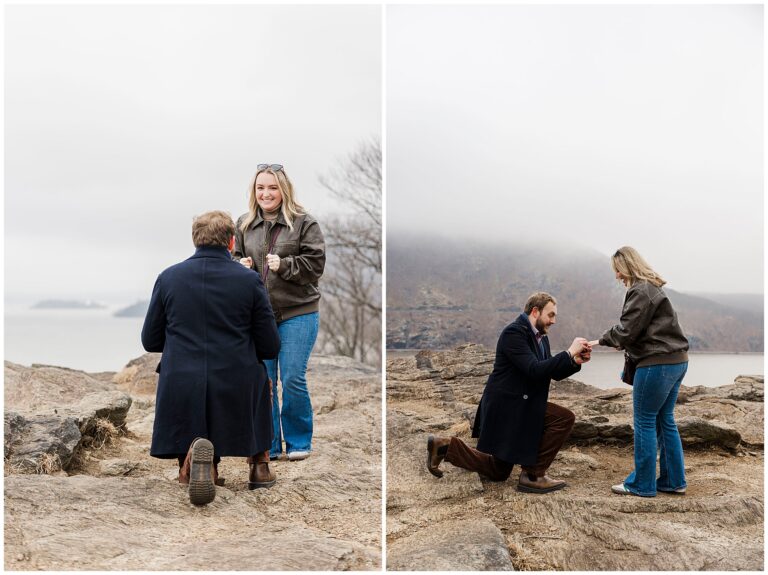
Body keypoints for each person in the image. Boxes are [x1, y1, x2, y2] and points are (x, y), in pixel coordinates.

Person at [141, 210, 281, 505]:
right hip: (235, 379)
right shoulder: (249, 281)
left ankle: (195, 464)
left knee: (184, 378)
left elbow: (150, 340)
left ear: (195, 240)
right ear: (231, 243)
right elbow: (270, 345)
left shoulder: (168, 278)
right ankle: (259, 466)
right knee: (260, 378)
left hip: (181, 380)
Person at [427, 292, 592, 493]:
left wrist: (573, 361)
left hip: (521, 404)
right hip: (506, 407)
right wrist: (567, 352)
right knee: (563, 418)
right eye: (550, 315)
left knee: (499, 471)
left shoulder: (541, 338)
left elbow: (550, 371)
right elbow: (533, 370)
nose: (554, 321)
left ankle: (445, 447)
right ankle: (533, 475)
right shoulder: (514, 333)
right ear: (535, 311)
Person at [233, 164, 326, 461]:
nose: (266, 193)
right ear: (254, 191)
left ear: (283, 190)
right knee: (264, 380)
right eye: (261, 188)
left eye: (272, 188)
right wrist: (238, 266)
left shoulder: (304, 223)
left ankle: (299, 441)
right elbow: (231, 257)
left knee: (293, 377)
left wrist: (285, 266)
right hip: (259, 316)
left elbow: (315, 266)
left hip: (298, 312)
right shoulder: (244, 224)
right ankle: (268, 445)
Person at [589, 246, 689, 497]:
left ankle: (642, 484)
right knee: (664, 419)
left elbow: (626, 330)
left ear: (627, 266)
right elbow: (638, 331)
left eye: (618, 271)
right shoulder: (653, 288)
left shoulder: (640, 290)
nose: (617, 277)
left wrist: (600, 341)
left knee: (644, 420)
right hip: (677, 360)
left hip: (656, 364)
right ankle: (673, 481)